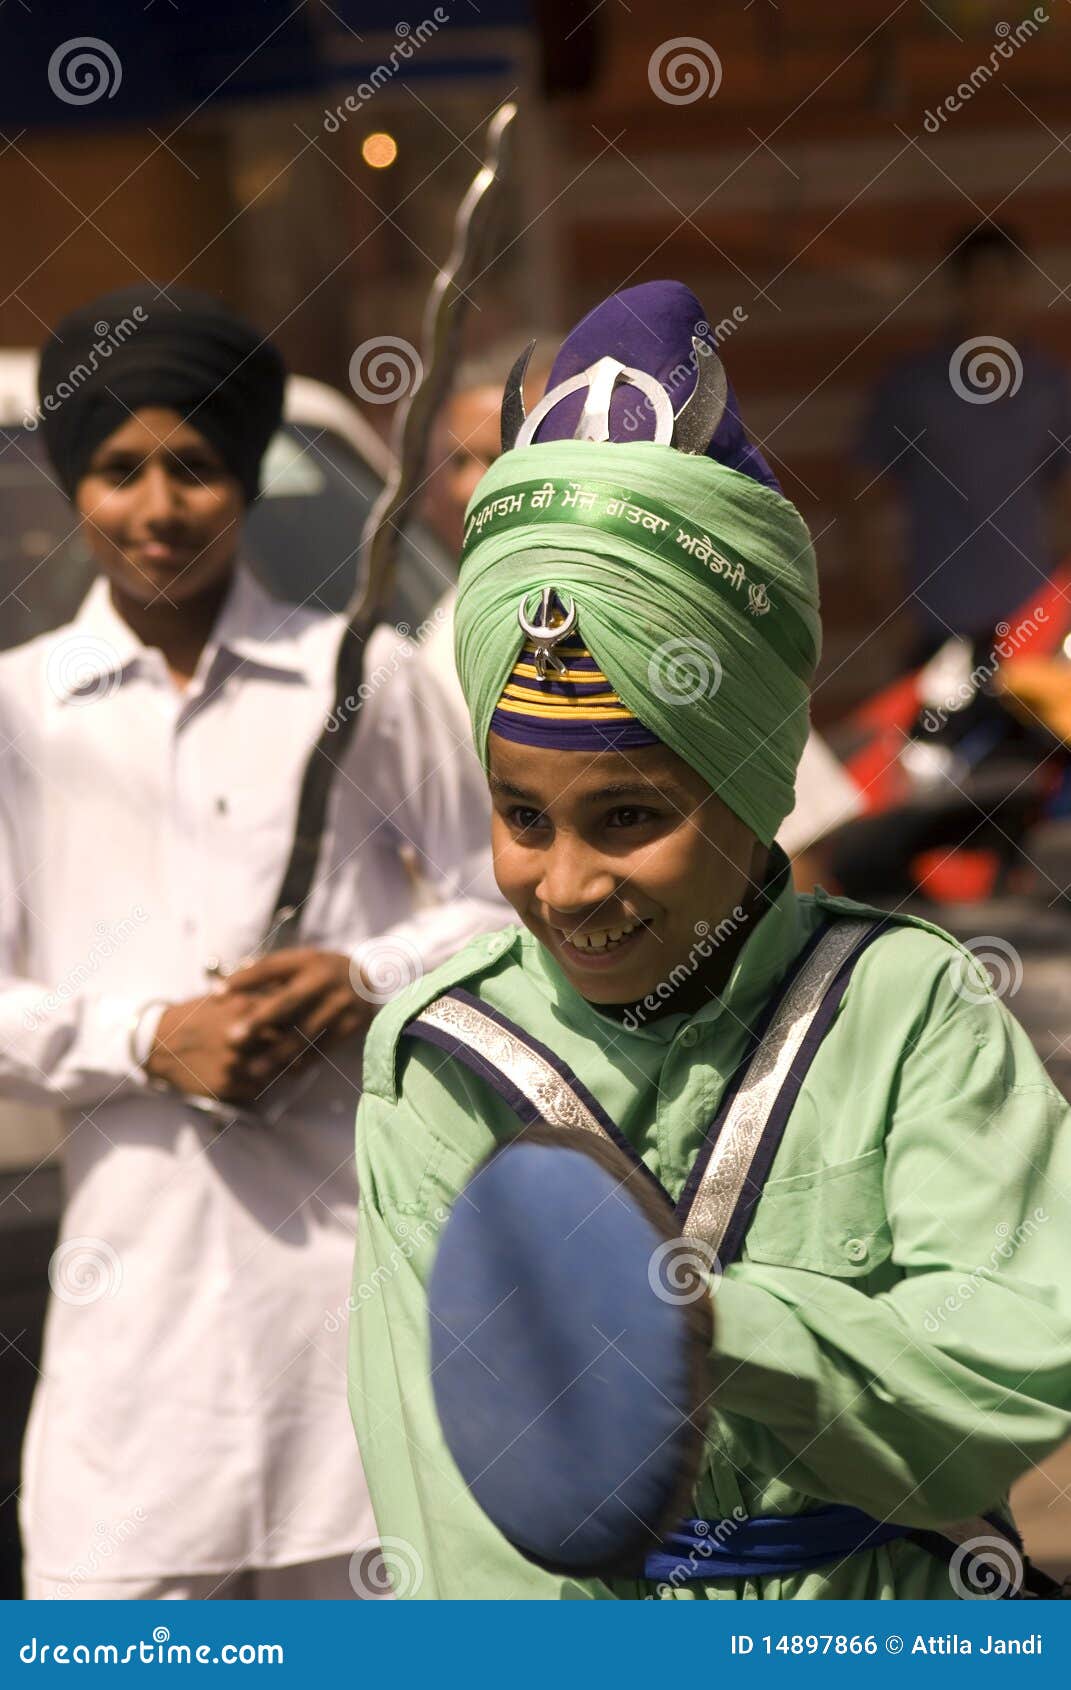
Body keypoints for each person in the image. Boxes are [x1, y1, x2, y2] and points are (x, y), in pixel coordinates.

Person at [347, 280, 1071, 1599]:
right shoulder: (439, 1062)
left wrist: (701, 1326)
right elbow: (458, 1522)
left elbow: (1007, 1370)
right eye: (520, 815)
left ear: (749, 788)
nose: (562, 884)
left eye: (627, 815)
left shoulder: (903, 1009)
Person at [3, 285, 507, 1600]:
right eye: (119, 470)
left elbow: (499, 903)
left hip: (356, 1345)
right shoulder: (23, 712)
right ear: (75, 482)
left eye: (195, 467)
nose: (157, 508)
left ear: (242, 478)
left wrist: (363, 975)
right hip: (135, 1371)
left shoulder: (367, 674)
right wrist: (145, 1037)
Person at [421, 346, 861, 893]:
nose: (468, 488)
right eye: (455, 462)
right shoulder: (426, 657)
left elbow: (795, 851)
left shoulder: (689, 613)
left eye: (495, 459)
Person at [853, 222, 1071, 660]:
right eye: (978, 282)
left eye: (1003, 281)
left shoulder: (1053, 387)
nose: (991, 297)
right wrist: (891, 613)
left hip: (1033, 625)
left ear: (1022, 288)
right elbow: (862, 498)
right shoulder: (913, 387)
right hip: (937, 625)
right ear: (957, 289)